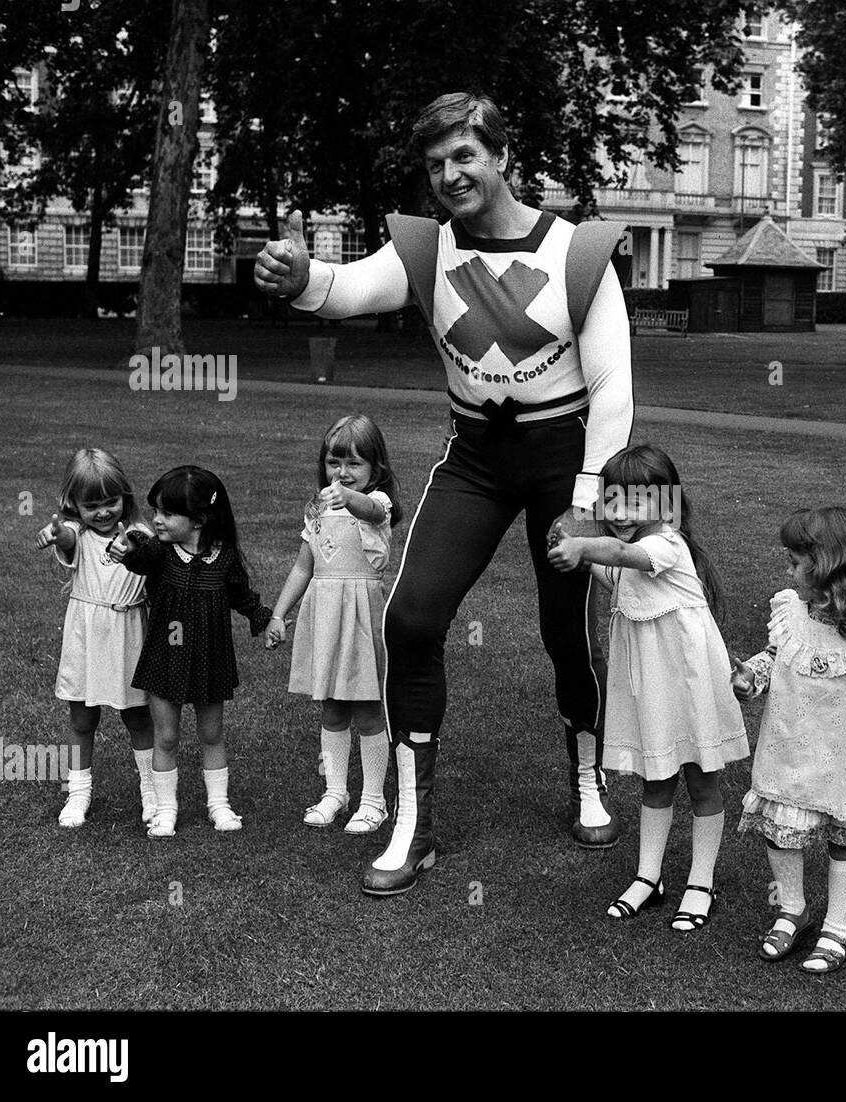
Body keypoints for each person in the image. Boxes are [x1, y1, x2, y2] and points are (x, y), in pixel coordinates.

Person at [254, 91, 632, 895]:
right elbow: (346, 288)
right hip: (477, 458)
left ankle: (587, 774)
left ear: (500, 156)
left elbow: (613, 390)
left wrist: (588, 497)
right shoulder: (426, 248)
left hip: (565, 458)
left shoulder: (578, 252)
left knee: (566, 632)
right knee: (412, 615)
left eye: (465, 156)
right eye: (435, 164)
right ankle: (414, 821)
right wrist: (298, 277)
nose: (451, 174)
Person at [549, 444, 748, 932]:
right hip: (649, 688)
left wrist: (582, 547)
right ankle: (649, 877)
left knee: (702, 780)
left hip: (689, 685)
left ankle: (701, 882)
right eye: (611, 502)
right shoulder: (633, 554)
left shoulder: (667, 546)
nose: (620, 515)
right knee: (654, 780)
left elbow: (620, 553)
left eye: (636, 503)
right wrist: (577, 556)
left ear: (667, 506)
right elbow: (614, 569)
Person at [731, 506, 846, 973]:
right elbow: (776, 657)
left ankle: (837, 927)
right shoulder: (791, 615)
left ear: (831, 568)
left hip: (844, 758)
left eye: (796, 562)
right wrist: (752, 676)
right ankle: (792, 908)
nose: (788, 570)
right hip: (789, 745)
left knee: (842, 839)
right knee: (781, 833)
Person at [108, 466, 272, 837]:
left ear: (199, 519)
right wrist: (124, 547)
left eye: (167, 513)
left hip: (209, 660)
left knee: (212, 735)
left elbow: (241, 597)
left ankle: (219, 804)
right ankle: (166, 809)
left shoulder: (225, 558)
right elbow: (137, 551)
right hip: (166, 659)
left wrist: (265, 620)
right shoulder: (160, 553)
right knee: (166, 737)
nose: (156, 520)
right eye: (155, 511)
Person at [266, 415, 402, 834]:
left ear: (375, 469)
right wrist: (278, 613)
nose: (341, 473)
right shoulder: (318, 509)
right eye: (333, 463)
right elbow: (303, 566)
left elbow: (369, 508)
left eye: (353, 464)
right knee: (331, 707)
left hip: (361, 613)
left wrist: (346, 495)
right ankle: (336, 792)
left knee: (366, 707)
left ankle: (374, 800)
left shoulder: (376, 504)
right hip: (323, 612)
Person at [34, 448, 156, 828]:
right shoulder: (79, 535)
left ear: (125, 497)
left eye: (111, 502)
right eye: (93, 506)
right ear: (74, 504)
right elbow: (67, 538)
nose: (103, 513)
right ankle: (78, 790)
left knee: (137, 716)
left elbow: (145, 554)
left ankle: (152, 790)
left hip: (130, 634)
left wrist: (133, 548)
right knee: (82, 719)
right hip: (86, 636)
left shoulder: (142, 535)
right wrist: (57, 534)